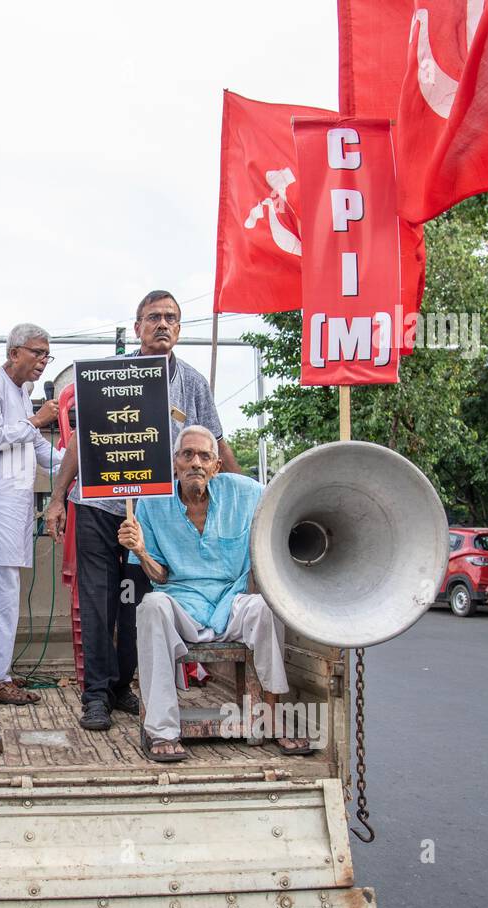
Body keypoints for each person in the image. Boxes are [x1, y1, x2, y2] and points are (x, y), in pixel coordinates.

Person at [45, 290, 241, 733]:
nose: (162, 325)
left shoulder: (192, 383)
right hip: (97, 506)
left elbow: (216, 442)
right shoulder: (110, 376)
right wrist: (58, 496)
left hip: (152, 513)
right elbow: (79, 441)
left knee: (137, 601)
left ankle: (120, 688)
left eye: (171, 318)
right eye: (153, 317)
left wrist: (244, 491)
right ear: (136, 328)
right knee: (98, 603)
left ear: (179, 328)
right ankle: (95, 696)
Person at [120, 425, 310, 761]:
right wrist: (142, 552)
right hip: (183, 604)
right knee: (150, 605)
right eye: (187, 454)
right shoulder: (150, 504)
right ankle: (162, 731)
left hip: (230, 603)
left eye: (204, 456)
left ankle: (275, 718)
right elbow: (159, 577)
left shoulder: (247, 493)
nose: (195, 462)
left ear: (216, 466)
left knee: (265, 609)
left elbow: (285, 507)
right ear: (174, 462)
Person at [0, 323, 63, 705]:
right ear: (14, 353)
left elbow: (36, 445)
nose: (43, 361)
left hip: (16, 506)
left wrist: (69, 466)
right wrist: (37, 420)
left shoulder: (21, 391)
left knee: (6, 592)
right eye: (37, 353)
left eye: (47, 355)